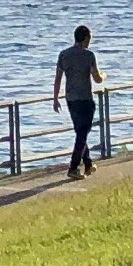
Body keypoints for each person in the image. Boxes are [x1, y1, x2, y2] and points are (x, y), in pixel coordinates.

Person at [53, 23, 107, 178]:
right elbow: (96, 79)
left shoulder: (64, 55)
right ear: (85, 39)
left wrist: (55, 98)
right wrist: (104, 76)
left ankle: (88, 164)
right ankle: (74, 167)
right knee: (83, 133)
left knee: (80, 132)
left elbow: (58, 78)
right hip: (85, 99)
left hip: (71, 99)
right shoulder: (88, 55)